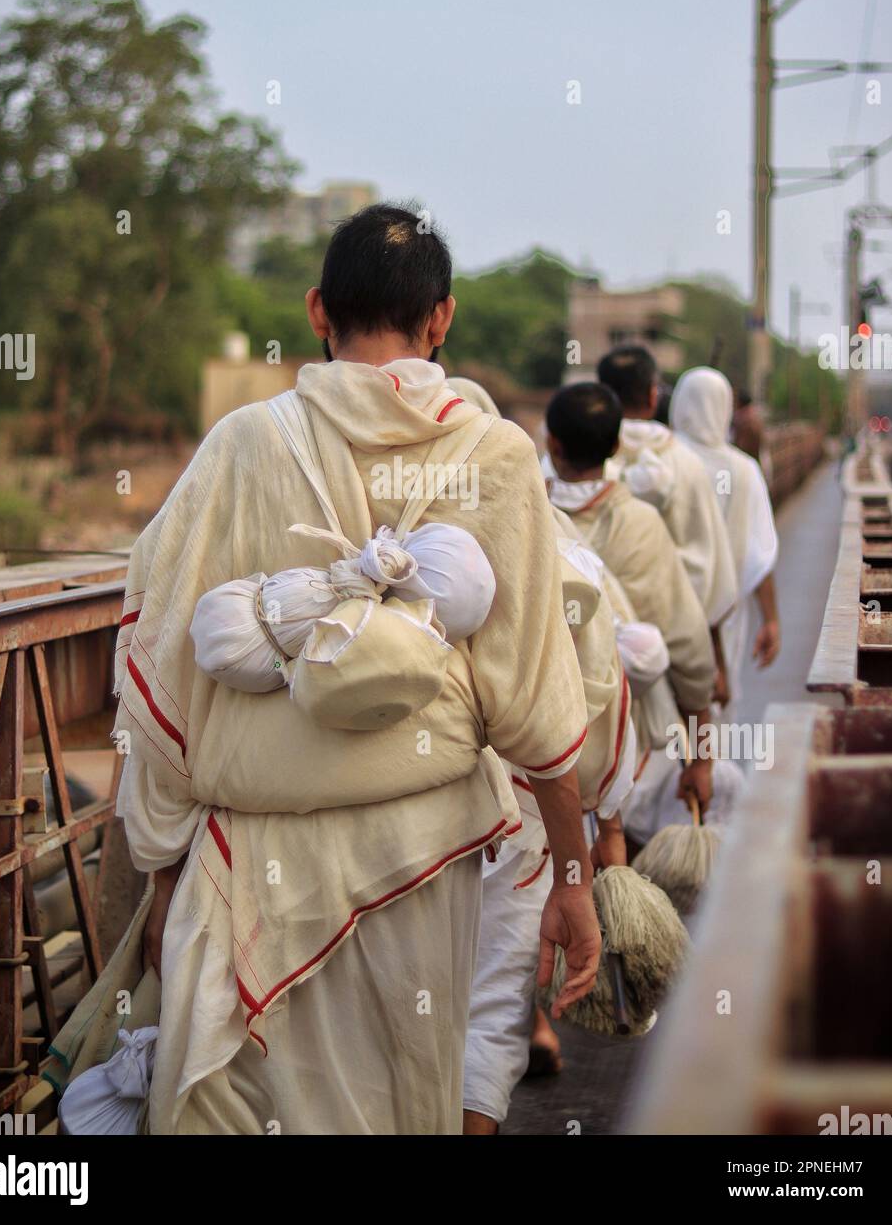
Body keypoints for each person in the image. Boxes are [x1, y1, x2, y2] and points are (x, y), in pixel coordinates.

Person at [113, 204, 601, 1135]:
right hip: (421, 865)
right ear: (443, 317)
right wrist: (572, 879)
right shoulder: (494, 455)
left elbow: (160, 660)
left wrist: (161, 868)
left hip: (250, 864)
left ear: (315, 311)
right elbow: (536, 704)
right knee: (403, 1098)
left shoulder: (243, 443)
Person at [446, 378, 633, 1134]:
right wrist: (594, 830)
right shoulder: (567, 562)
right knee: (491, 1012)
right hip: (522, 816)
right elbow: (596, 702)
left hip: (395, 816)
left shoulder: (386, 544)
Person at [542, 381, 716, 815]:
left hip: (538, 751)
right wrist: (701, 756)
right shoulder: (641, 524)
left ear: (551, 443)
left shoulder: (524, 516)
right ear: (618, 445)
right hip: (626, 741)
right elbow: (688, 645)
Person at [595, 345, 738, 703]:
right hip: (679, 649)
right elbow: (712, 565)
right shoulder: (685, 463)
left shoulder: (583, 455)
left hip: (596, 647)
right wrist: (715, 660)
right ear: (652, 394)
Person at [669, 367, 780, 707]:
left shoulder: (661, 461)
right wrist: (771, 619)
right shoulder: (744, 469)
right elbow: (759, 556)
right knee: (716, 706)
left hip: (666, 606)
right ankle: (710, 759)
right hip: (726, 610)